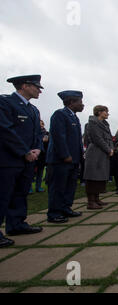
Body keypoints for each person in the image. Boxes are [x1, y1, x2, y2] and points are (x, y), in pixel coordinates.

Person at [0, 75, 44, 247]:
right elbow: (5, 130)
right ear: (25, 86)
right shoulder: (5, 103)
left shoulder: (33, 110)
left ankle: (17, 224)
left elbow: (37, 134)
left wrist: (38, 148)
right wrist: (24, 151)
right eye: (36, 87)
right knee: (3, 195)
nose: (39, 90)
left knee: (20, 193)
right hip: (9, 159)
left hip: (28, 159)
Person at [46, 91, 85, 223]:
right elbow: (58, 137)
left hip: (73, 159)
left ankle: (65, 208)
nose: (82, 105)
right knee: (58, 187)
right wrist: (65, 155)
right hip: (61, 159)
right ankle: (54, 213)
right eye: (80, 102)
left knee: (70, 186)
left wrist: (79, 156)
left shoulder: (74, 117)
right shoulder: (60, 115)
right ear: (71, 102)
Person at [83, 105, 114, 209]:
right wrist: (108, 149)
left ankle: (96, 199)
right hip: (95, 153)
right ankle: (90, 202)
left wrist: (111, 148)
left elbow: (109, 138)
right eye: (106, 111)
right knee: (93, 177)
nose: (108, 113)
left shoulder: (105, 124)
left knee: (100, 177)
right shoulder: (92, 124)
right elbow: (97, 139)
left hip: (103, 153)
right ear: (99, 112)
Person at [34, 120, 49, 192]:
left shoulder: (47, 133)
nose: (41, 125)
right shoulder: (34, 133)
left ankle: (38, 187)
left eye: (42, 124)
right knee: (31, 172)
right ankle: (29, 188)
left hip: (43, 155)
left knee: (40, 172)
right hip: (35, 154)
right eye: (40, 124)